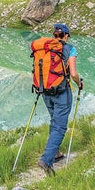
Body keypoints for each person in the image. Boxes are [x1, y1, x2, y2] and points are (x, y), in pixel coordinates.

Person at [37, 23, 81, 176]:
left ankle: (55, 154)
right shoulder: (69, 49)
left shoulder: (46, 48)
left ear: (54, 34)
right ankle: (46, 160)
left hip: (45, 90)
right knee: (60, 127)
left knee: (54, 120)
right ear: (66, 35)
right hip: (62, 91)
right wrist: (79, 83)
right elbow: (73, 73)